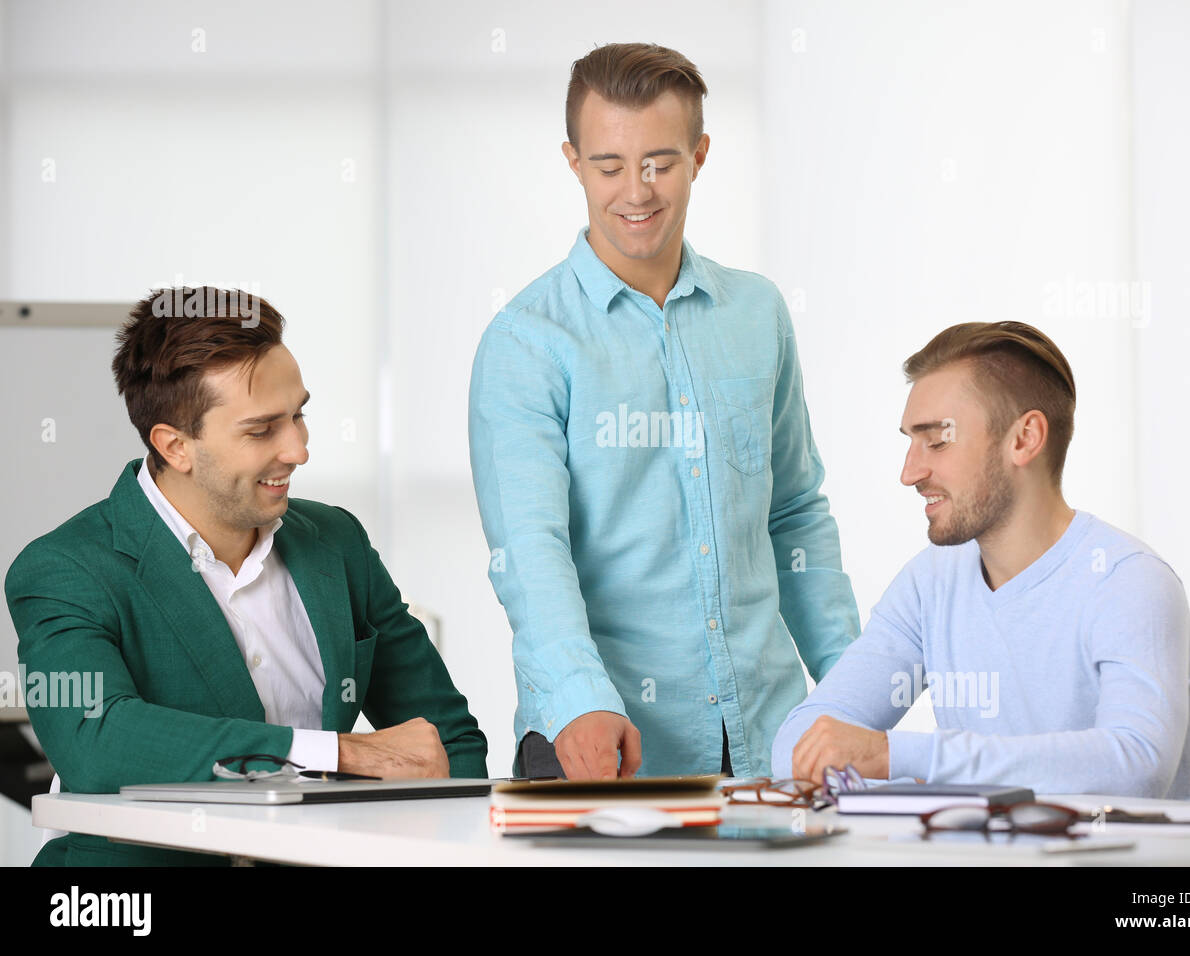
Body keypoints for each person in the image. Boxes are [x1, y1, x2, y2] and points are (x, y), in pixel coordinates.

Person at [469, 43, 859, 780]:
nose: (637, 190)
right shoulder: (526, 341)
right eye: (609, 165)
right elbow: (530, 547)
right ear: (574, 162)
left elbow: (795, 513)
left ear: (700, 155)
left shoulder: (757, 313)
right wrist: (580, 697)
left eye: (660, 161)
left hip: (768, 737)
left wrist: (850, 686)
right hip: (598, 738)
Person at [5, 288, 488, 865]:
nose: (299, 451)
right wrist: (339, 754)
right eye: (262, 431)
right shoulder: (66, 567)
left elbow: (446, 741)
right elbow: (97, 742)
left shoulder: (337, 543)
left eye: (299, 415)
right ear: (175, 446)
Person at [772, 321, 1190, 800]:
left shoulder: (1128, 581)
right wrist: (928, 781)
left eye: (937, 440)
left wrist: (903, 758)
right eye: (909, 442)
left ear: (1024, 439)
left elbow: (1135, 767)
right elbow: (799, 745)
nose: (909, 472)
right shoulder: (929, 584)